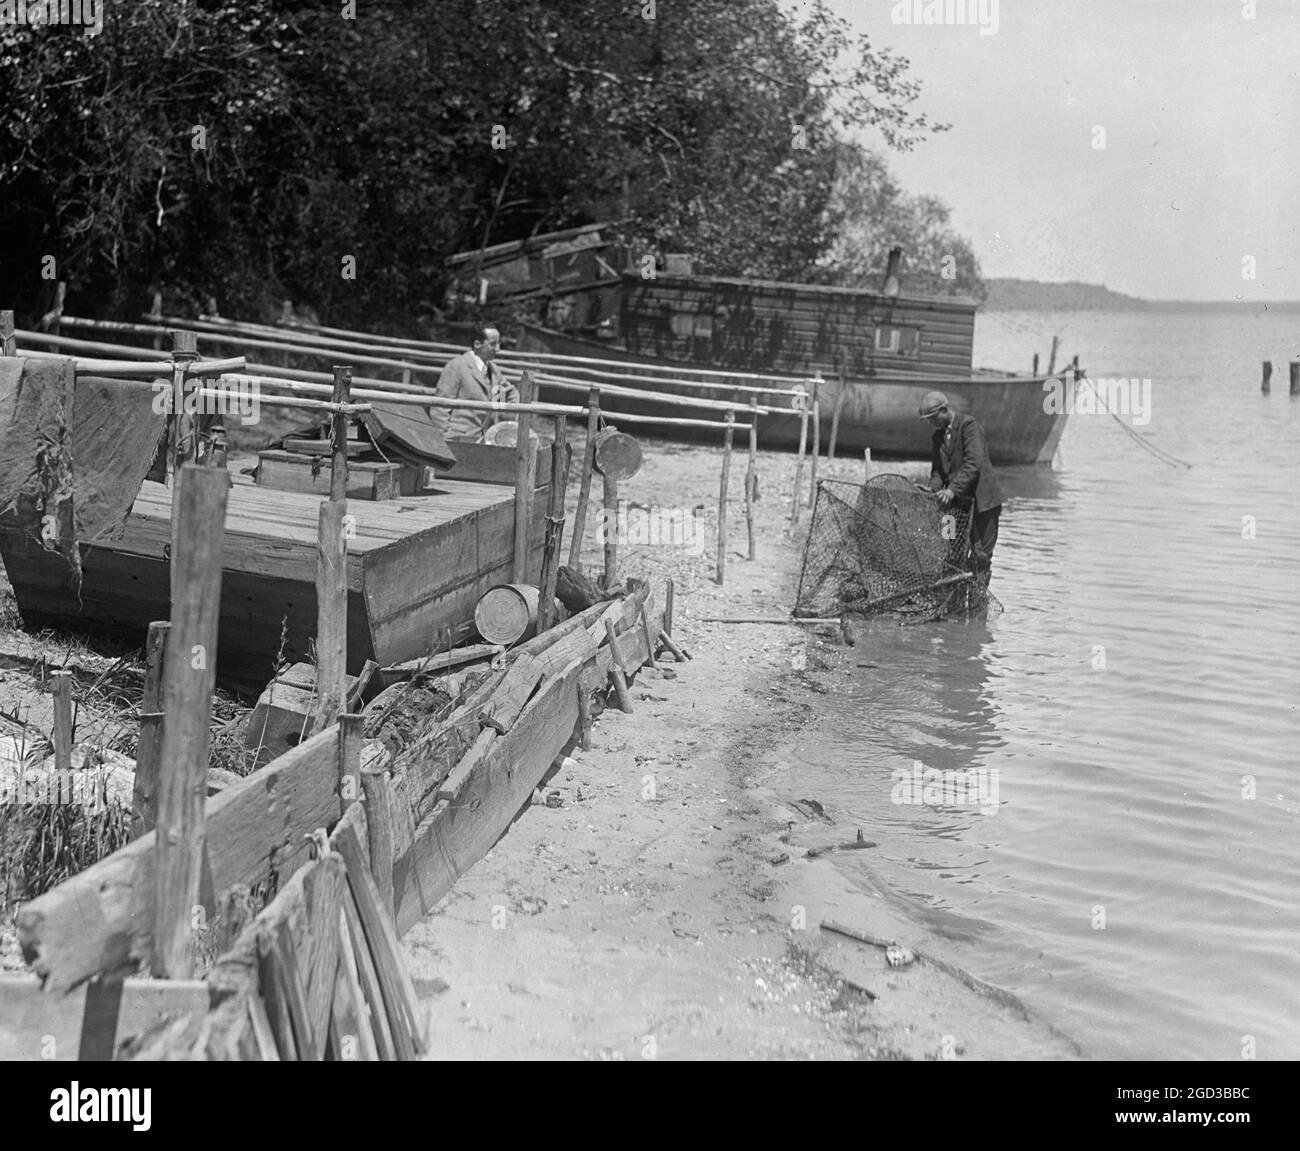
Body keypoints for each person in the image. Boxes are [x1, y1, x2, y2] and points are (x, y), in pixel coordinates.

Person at [919, 390, 1005, 588]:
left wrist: (952, 490)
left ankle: (977, 601)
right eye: (928, 419)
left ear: (944, 410)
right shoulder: (937, 438)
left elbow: (973, 464)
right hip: (956, 508)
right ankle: (953, 600)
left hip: (984, 504)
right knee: (951, 553)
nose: (931, 423)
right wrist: (932, 490)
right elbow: (938, 472)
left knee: (980, 557)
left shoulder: (969, 426)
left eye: (933, 417)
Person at [434, 325, 519, 441]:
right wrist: (445, 437)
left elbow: (511, 394)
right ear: (477, 344)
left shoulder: (493, 371)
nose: (498, 349)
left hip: (483, 440)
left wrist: (506, 420)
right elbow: (439, 409)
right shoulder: (457, 366)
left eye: (499, 344)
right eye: (493, 344)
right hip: (457, 438)